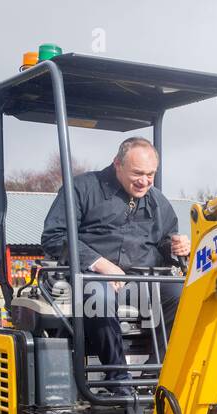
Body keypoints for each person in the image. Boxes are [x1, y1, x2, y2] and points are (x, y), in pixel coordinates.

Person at [41, 136, 189, 389]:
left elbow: (165, 243)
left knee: (187, 295)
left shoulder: (158, 202)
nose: (144, 181)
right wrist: (99, 264)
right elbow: (54, 237)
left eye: (150, 174)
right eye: (138, 173)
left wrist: (178, 247)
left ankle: (155, 376)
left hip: (140, 283)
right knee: (99, 296)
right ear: (117, 164)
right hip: (89, 279)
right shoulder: (82, 189)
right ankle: (117, 378)